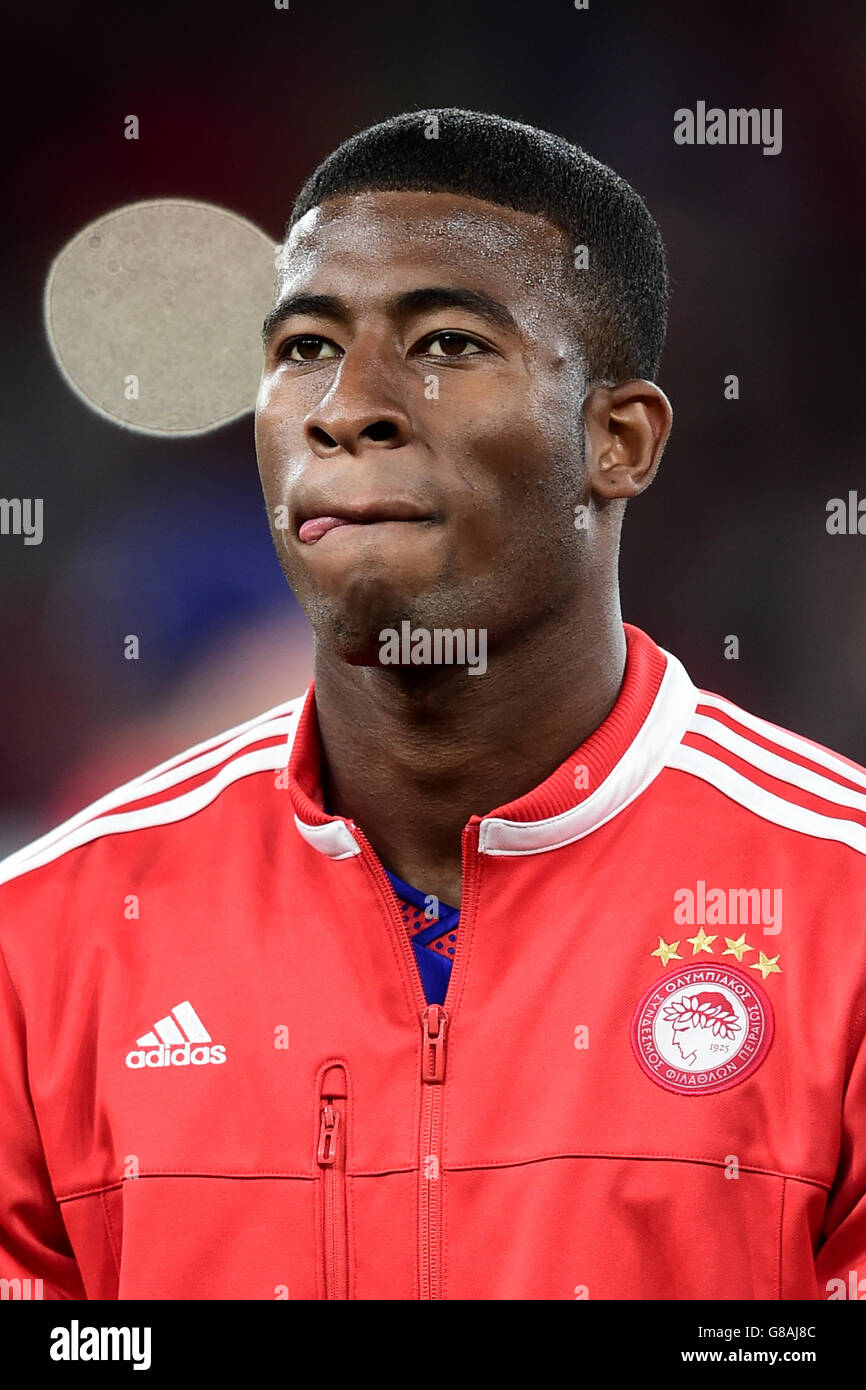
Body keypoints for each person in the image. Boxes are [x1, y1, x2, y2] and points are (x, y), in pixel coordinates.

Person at [1, 109, 864, 1301]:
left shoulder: (840, 905)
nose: (343, 406)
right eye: (303, 346)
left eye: (448, 344)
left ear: (616, 439)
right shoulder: (44, 939)